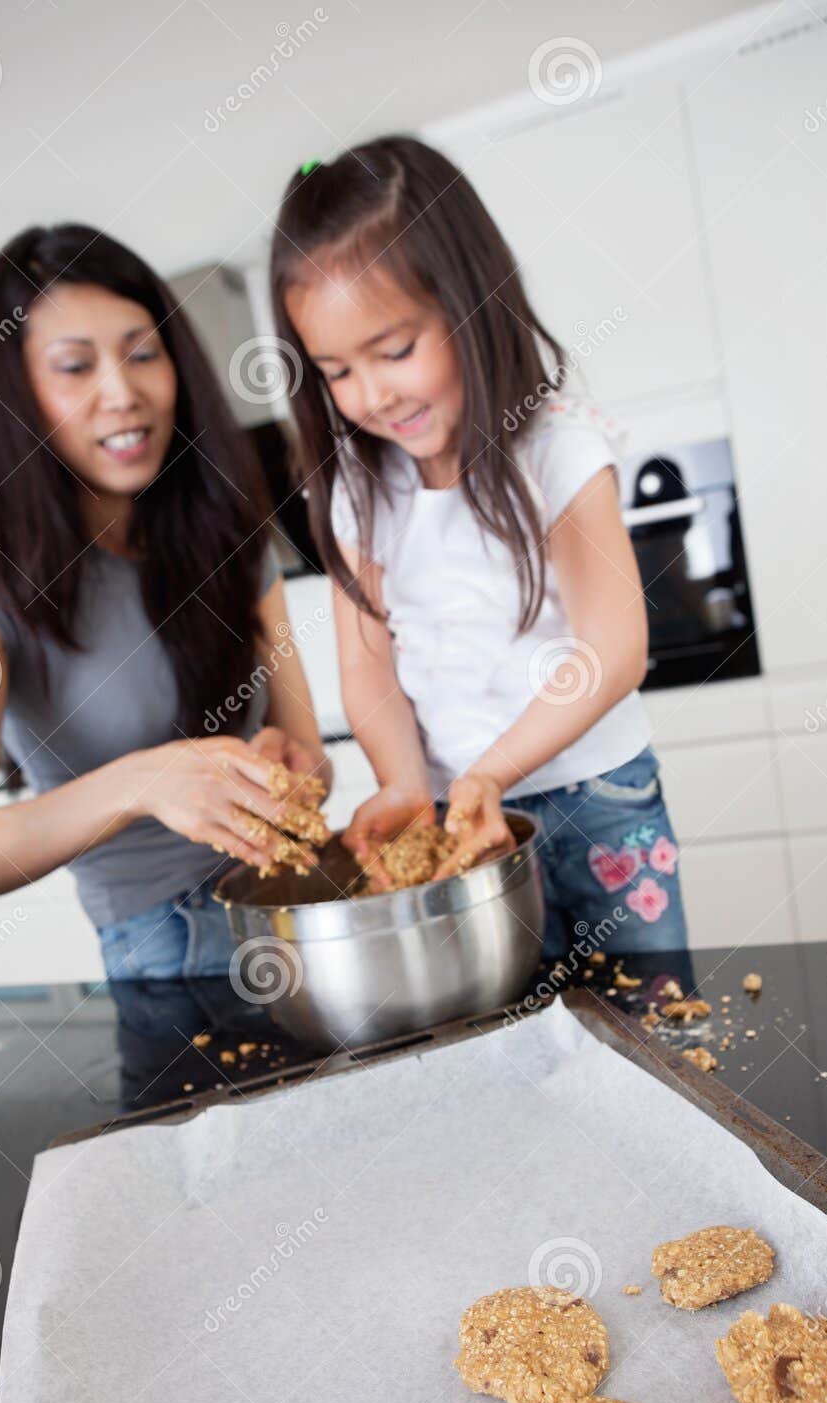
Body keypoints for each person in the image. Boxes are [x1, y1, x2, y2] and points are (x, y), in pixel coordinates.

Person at [269, 137, 687, 964]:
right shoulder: (356, 487)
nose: (373, 394)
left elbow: (612, 651)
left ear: (471, 300)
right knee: (511, 1043)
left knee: (652, 1026)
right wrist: (399, 781)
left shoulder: (555, 450)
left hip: (596, 796)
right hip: (455, 811)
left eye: (394, 351)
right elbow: (367, 667)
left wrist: (491, 771)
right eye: (336, 371)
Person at [0, 225, 327, 980]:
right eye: (76, 367)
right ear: (15, 396)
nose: (122, 392)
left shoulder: (228, 531)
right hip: (162, 949)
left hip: (296, 902)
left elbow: (308, 755)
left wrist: (284, 769)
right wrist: (144, 783)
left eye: (143, 353)